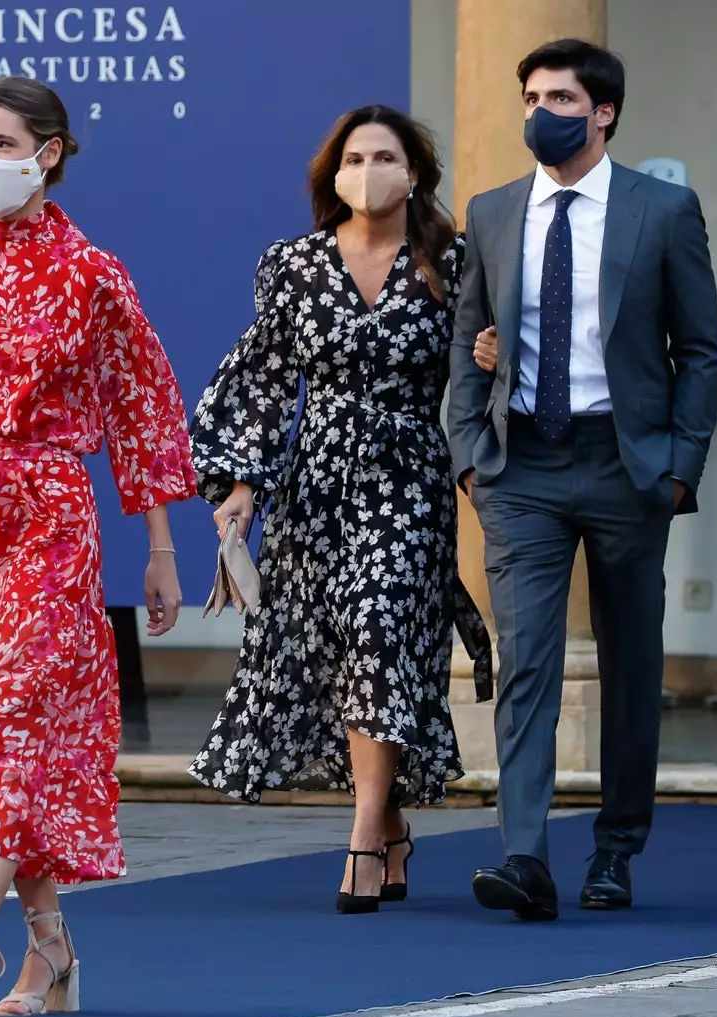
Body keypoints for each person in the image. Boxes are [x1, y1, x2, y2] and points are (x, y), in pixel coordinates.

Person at [0, 76, 196, 1017]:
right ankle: (53, 950)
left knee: (20, 708)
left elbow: (144, 400)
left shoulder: (94, 275)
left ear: (48, 153)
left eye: (1, 141)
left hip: (51, 513)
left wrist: (159, 547)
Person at [188, 105, 492, 915]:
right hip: (316, 485)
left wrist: (490, 373)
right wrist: (241, 485)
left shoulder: (451, 263)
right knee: (345, 651)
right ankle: (392, 823)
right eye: (354, 157)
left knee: (383, 637)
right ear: (334, 175)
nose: (368, 169)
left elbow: (481, 368)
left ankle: (362, 834)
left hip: (408, 482)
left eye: (384, 155)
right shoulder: (292, 265)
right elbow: (260, 373)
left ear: (414, 171)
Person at [449, 40, 717, 921]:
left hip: (627, 463)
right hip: (521, 463)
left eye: (560, 97)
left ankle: (616, 849)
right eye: (531, 95)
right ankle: (525, 856)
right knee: (526, 657)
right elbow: (468, 340)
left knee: (630, 659)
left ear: (602, 112)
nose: (542, 110)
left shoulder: (664, 209)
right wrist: (470, 452)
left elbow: (702, 351)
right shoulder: (492, 212)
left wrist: (679, 468)